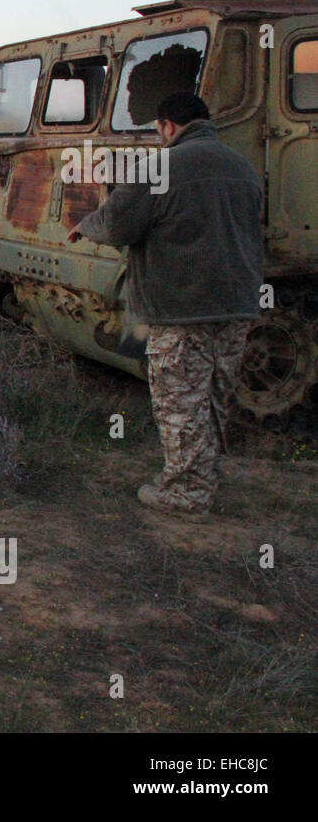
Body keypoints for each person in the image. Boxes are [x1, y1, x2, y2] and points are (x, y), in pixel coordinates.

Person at [68, 92, 263, 519]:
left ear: (167, 126)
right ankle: (202, 480)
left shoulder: (159, 167)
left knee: (179, 404)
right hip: (237, 305)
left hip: (182, 307)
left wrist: (85, 225)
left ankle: (185, 496)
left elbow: (118, 223)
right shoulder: (242, 167)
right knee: (213, 396)